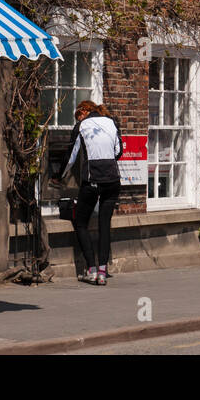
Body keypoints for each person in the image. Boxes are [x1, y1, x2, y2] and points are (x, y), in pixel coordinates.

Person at [58, 101, 123, 285]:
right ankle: (103, 272)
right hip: (112, 179)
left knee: (80, 223)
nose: (77, 120)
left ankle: (91, 270)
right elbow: (119, 151)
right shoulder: (111, 122)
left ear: (84, 112)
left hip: (93, 180)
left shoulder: (82, 126)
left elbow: (70, 156)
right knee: (104, 225)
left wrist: (58, 176)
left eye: (77, 116)